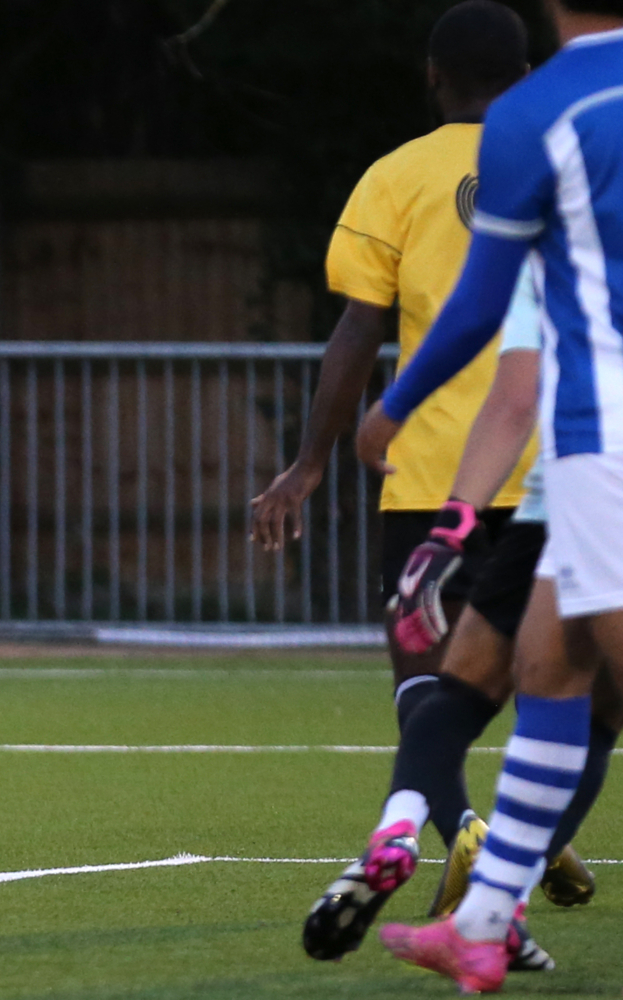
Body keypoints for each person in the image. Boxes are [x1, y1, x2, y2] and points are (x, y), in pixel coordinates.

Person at [355, 0, 623, 990]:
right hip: (566, 474)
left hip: (603, 441)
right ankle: (482, 920)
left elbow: (484, 309)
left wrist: (396, 405)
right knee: (550, 671)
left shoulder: (538, 116)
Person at [303, 265, 619, 970]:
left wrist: (446, 519)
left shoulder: (553, 250)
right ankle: (484, 918)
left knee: (477, 691)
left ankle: (406, 833)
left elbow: (506, 387)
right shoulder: (562, 237)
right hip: (559, 496)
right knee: (551, 689)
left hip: (572, 487)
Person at [251, 1, 536, 746]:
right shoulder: (571, 166)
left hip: (431, 472)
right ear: (529, 76)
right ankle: (528, 830)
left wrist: (308, 466)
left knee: (421, 675)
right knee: (555, 675)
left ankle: (436, 822)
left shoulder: (395, 177)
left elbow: (358, 326)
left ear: (432, 76)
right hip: (554, 465)